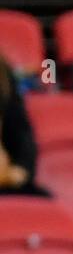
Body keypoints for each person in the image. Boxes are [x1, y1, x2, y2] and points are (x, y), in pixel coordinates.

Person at [0, 59, 42, 196]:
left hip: (7, 182)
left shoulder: (3, 72)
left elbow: (21, 130)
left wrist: (21, 169)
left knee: (46, 207)